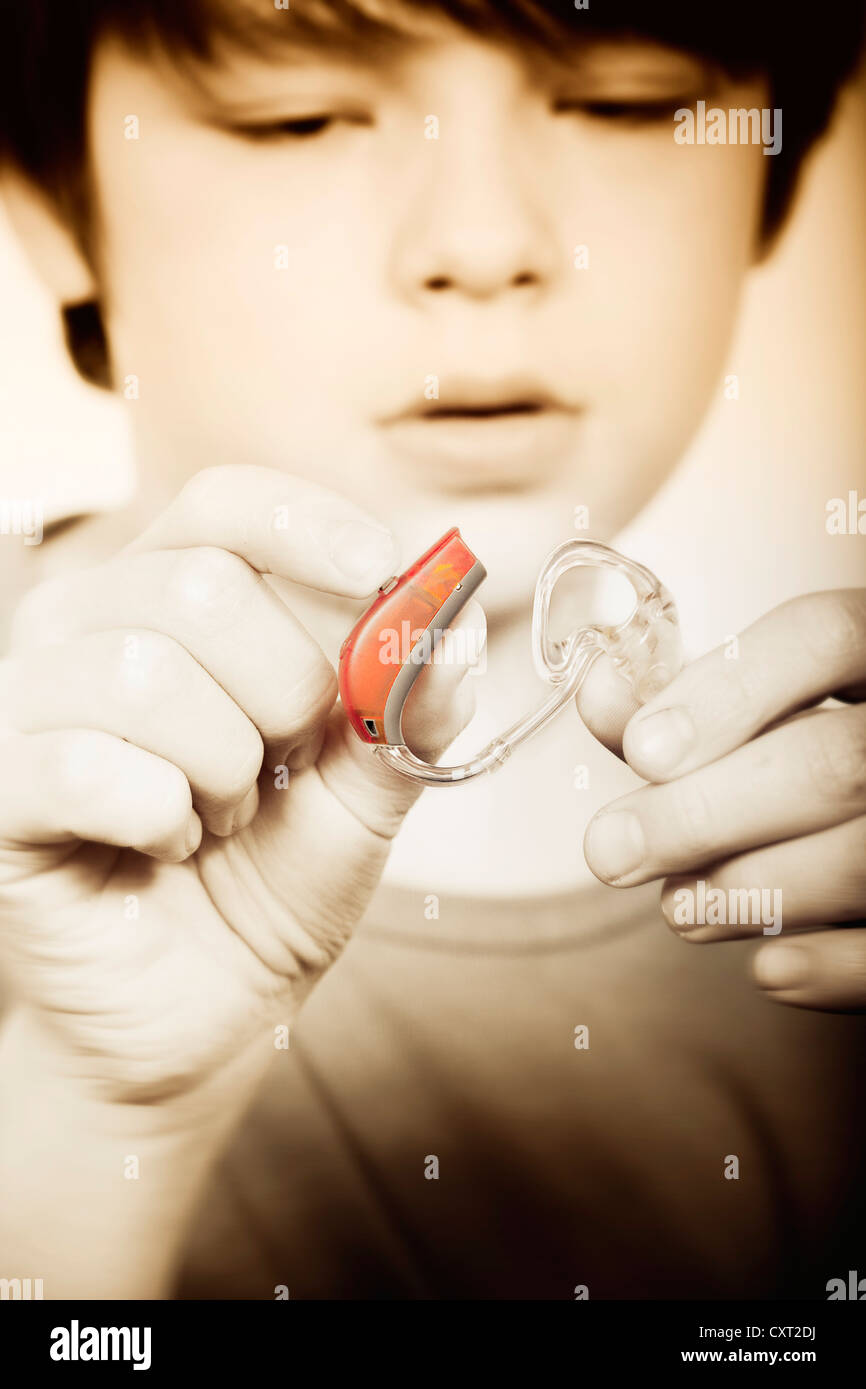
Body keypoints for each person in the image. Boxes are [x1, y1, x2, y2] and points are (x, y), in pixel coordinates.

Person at [0, 0, 864, 1300]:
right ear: (50, 209)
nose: (484, 243)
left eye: (625, 99)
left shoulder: (821, 909)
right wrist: (94, 1123)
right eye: (295, 114)